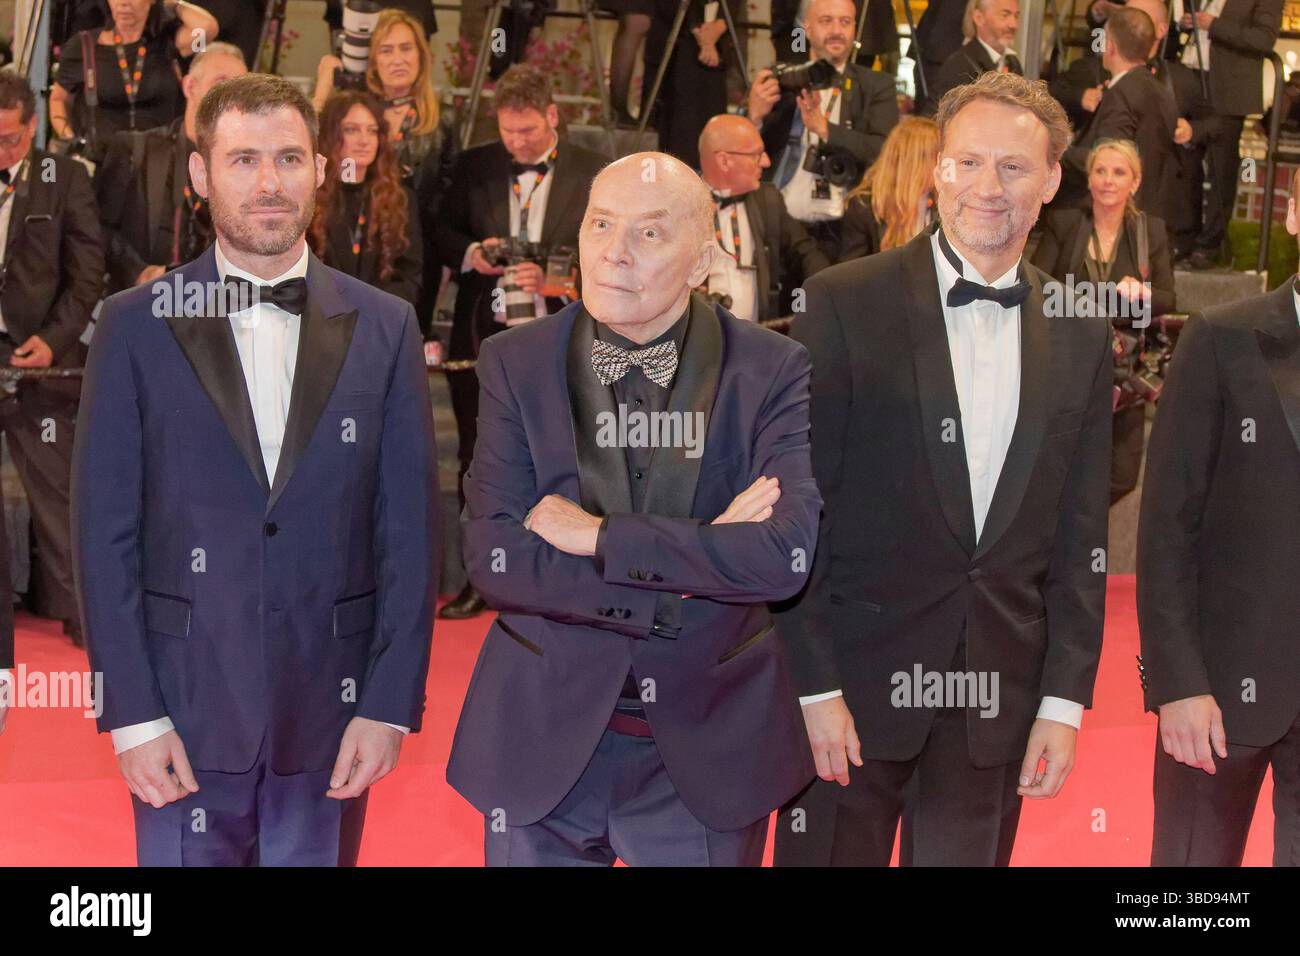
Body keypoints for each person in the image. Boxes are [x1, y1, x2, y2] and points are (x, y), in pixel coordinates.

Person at [72, 73, 439, 866]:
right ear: (201, 175)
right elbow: (103, 536)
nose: (269, 183)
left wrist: (388, 704)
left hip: (333, 717)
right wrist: (131, 714)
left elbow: (409, 534)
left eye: (288, 158)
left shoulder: (387, 328)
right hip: (181, 710)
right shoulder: (133, 327)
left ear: (320, 168)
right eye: (243, 160)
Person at [445, 151, 821, 866]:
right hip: (541, 742)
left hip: (706, 754)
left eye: (649, 233)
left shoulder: (770, 368)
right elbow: (496, 560)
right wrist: (697, 558)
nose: (613, 253)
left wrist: (598, 538)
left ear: (702, 259)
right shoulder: (513, 362)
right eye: (599, 225)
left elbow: (784, 556)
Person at [775, 72, 1112, 867]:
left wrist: (1063, 702)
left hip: (995, 697)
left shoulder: (1082, 332)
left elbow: (1080, 535)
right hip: (852, 694)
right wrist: (813, 687)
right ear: (938, 169)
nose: (985, 188)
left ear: (1053, 180)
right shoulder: (842, 303)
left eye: (1012, 167)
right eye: (967, 163)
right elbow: (801, 512)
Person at [1136, 165, 1300, 867]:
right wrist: (1177, 682)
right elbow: (1167, 526)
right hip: (1222, 692)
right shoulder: (1221, 339)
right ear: (1294, 216)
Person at [434, 64, 606, 621]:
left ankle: (562, 572)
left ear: (553, 116)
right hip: (483, 335)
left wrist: (561, 281)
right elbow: (438, 232)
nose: (517, 142)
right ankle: (481, 576)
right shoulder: (474, 165)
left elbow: (610, 248)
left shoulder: (592, 170)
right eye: (509, 132)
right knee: (477, 457)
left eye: (528, 131)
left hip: (566, 339)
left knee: (567, 455)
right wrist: (472, 255)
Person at [0, 72, 104, 648]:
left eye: (11, 139)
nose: (2, 151)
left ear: (33, 126)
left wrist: (54, 340)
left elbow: (88, 273)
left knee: (58, 489)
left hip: (40, 351)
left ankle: (80, 609)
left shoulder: (62, 179)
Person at [1032, 139, 1175, 503]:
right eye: (1100, 171)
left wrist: (1142, 293)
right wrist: (1111, 293)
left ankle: (1079, 522)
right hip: (1070, 364)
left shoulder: (1151, 231)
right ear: (1089, 177)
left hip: (1126, 370)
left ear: (1135, 182)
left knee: (1123, 476)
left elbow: (1168, 299)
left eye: (1119, 172)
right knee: (1063, 463)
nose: (1108, 180)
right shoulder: (1066, 223)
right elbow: (1036, 286)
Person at [314, 8, 458, 336]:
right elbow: (309, 146)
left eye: (406, 48)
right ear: (373, 58)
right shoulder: (354, 109)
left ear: (421, 56)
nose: (398, 59)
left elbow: (449, 193)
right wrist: (323, 90)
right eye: (387, 49)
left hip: (415, 252)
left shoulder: (443, 118)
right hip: (353, 239)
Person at [748, 0, 900, 261]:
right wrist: (754, 117)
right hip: (784, 225)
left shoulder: (877, 85)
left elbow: (886, 153)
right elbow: (750, 151)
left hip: (845, 231)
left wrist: (826, 130)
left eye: (845, 22)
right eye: (826, 21)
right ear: (806, 27)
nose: (836, 30)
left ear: (855, 28)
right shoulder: (782, 79)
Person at [95, 41, 246, 294]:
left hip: (211, 311)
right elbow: (98, 227)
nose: (231, 97)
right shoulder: (134, 149)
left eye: (240, 89)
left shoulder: (244, 169)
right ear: (190, 86)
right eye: (221, 84)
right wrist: (139, 272)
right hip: (139, 305)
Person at [1174, 0, 1282, 269]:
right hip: (1190, 76)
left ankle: (1208, 247)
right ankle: (1182, 238)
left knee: (1221, 170)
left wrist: (1214, 25)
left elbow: (1263, 39)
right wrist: (1185, 23)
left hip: (1229, 88)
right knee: (1183, 162)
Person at [696, 114, 830, 322]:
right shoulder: (680, 203)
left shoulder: (768, 201)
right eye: (756, 155)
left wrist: (820, 299)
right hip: (700, 340)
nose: (766, 162)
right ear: (724, 161)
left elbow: (807, 253)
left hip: (758, 335)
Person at [51, 0, 219, 155]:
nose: (124, 3)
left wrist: (173, 4)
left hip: (160, 161)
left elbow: (208, 27)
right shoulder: (84, 46)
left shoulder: (166, 42)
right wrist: (71, 139)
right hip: (103, 162)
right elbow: (58, 99)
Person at [1059, 7, 1178, 223]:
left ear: (1110, 47)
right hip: (1149, 212)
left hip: (1113, 216)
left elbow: (1107, 161)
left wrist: (1056, 153)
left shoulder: (1121, 93)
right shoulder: (1162, 92)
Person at [309, 91, 422, 306]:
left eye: (372, 131)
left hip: (377, 321)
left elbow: (408, 275)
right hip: (318, 319)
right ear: (330, 134)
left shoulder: (399, 198)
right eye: (352, 130)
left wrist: (371, 309)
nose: (364, 141)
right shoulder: (308, 195)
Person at [642, 0, 745, 170]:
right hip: (677, 35)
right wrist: (702, 35)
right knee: (682, 112)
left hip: (718, 38)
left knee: (711, 106)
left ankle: (711, 171)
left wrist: (719, 26)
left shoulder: (799, 30)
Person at [840, 115, 940, 260]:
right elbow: (851, 275)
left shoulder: (943, 202)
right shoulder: (864, 206)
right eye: (937, 157)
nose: (944, 165)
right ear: (916, 162)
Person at [923, 0, 1023, 113]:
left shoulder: (1013, 62)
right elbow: (934, 119)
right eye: (1005, 15)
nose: (1014, 24)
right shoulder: (958, 65)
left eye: (1016, 16)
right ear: (979, 17)